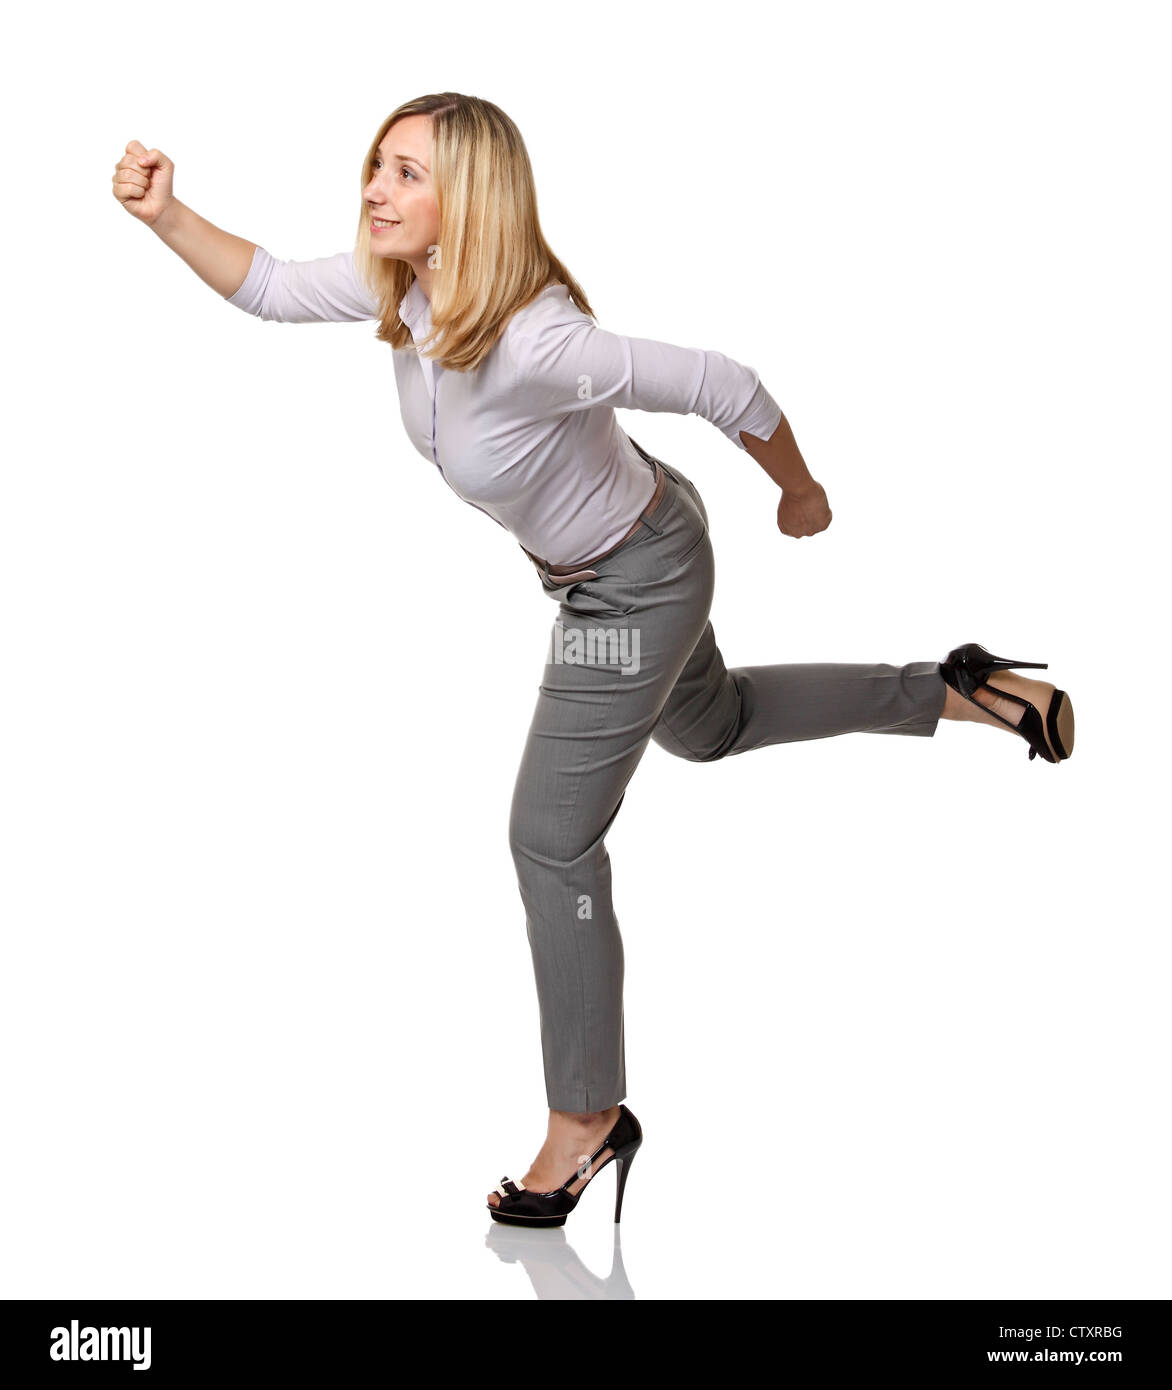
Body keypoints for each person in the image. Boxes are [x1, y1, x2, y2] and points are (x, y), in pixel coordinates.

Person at [112, 91, 1075, 1230]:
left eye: (407, 172)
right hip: (617, 562)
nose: (376, 186)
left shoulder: (535, 339)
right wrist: (166, 215)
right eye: (378, 162)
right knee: (707, 726)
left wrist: (801, 491)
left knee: (547, 837)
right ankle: (954, 689)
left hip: (632, 587)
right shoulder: (407, 287)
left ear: (468, 197)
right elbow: (269, 285)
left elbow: (726, 383)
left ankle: (584, 1119)